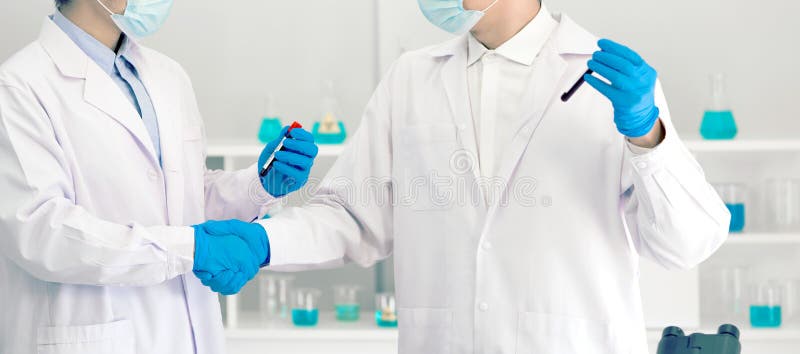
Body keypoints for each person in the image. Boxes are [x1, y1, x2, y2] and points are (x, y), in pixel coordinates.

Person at [202, 0, 731, 353]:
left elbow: (686, 245)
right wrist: (265, 241)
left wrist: (649, 137)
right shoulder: (412, 76)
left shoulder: (610, 79)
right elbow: (352, 214)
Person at [0, 0, 318, 353]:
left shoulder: (168, 76)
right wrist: (189, 249)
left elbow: (187, 199)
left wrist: (259, 186)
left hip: (188, 333)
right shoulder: (18, 87)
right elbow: (41, 232)